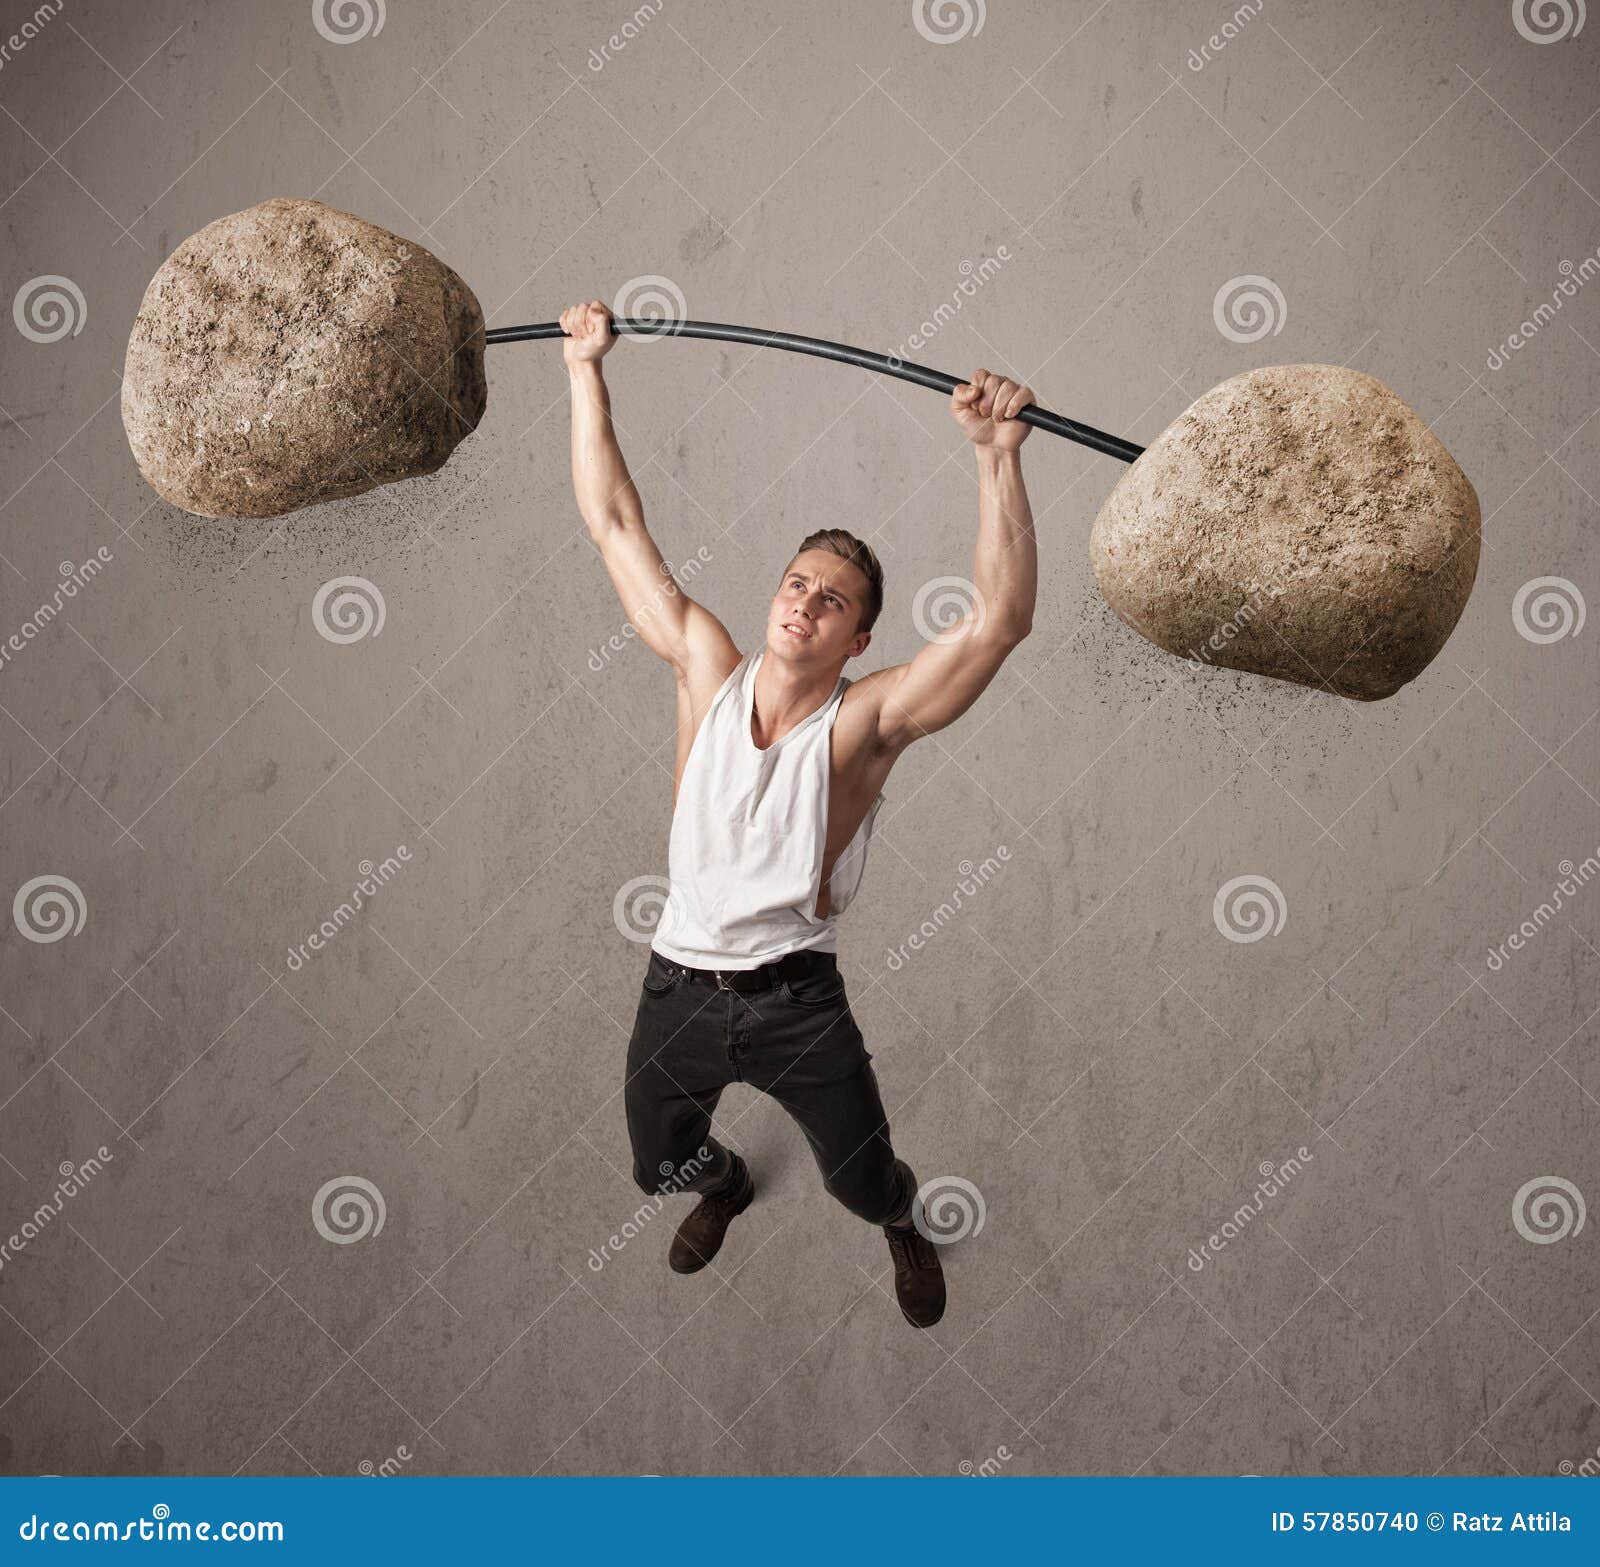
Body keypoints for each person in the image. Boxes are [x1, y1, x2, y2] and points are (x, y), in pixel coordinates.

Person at [562, 299, 1036, 1327]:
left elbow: (997, 624)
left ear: (857, 638)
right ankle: (724, 1183)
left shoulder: (864, 725)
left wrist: (997, 456)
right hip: (676, 985)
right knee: (657, 1161)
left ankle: (901, 1224)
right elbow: (612, 522)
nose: (804, 603)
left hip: (794, 1003)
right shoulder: (703, 667)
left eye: (832, 600)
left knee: (862, 1180)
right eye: (796, 582)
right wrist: (584, 370)